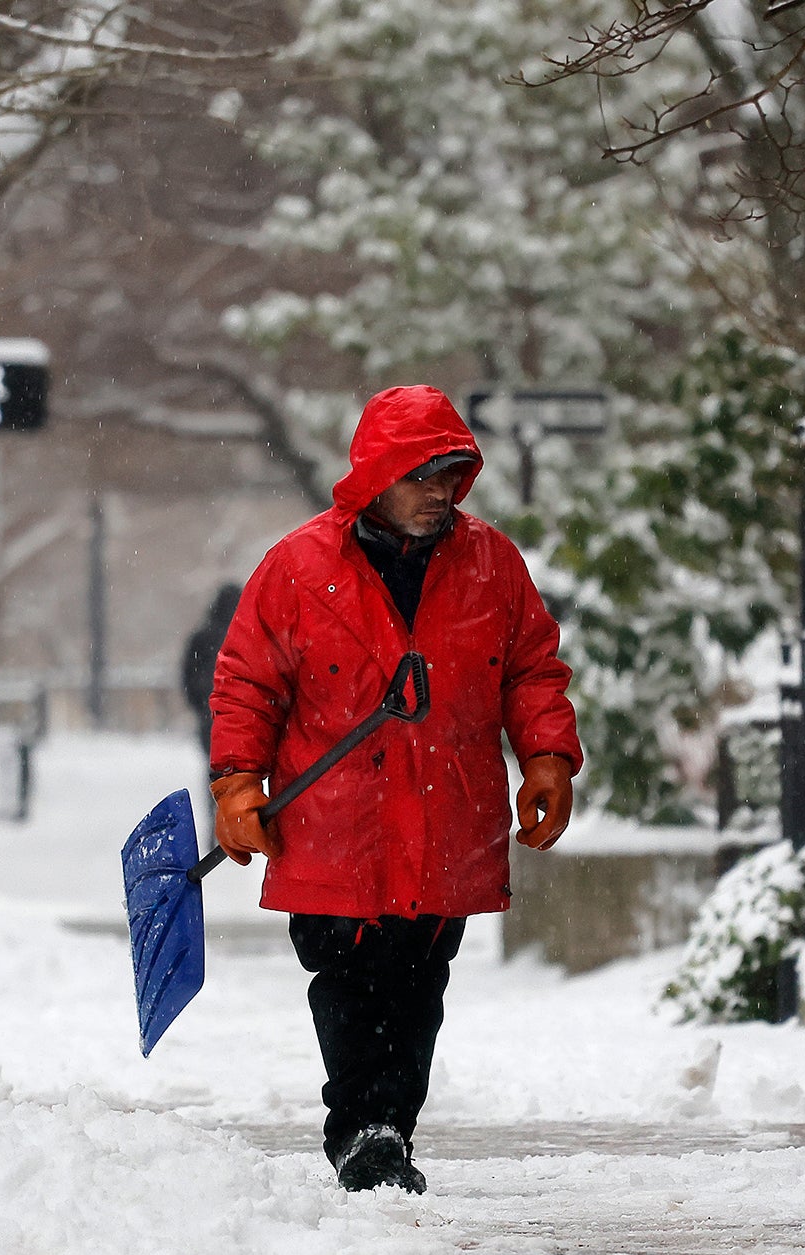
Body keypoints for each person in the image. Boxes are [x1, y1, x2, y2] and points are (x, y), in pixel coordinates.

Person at [207, 384, 581, 1194]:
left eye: (449, 475)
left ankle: (385, 1131)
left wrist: (548, 755)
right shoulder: (298, 568)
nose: (438, 492)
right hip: (334, 824)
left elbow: (530, 669)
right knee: (347, 973)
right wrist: (236, 780)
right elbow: (247, 683)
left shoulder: (491, 564)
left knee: (418, 979)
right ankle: (362, 1129)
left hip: (447, 813)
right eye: (419, 476)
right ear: (375, 477)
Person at [181, 582, 244, 758]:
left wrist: (201, 705)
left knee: (216, 763)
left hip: (210, 712)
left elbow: (188, 676)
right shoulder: (249, 635)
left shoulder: (202, 637)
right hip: (242, 715)